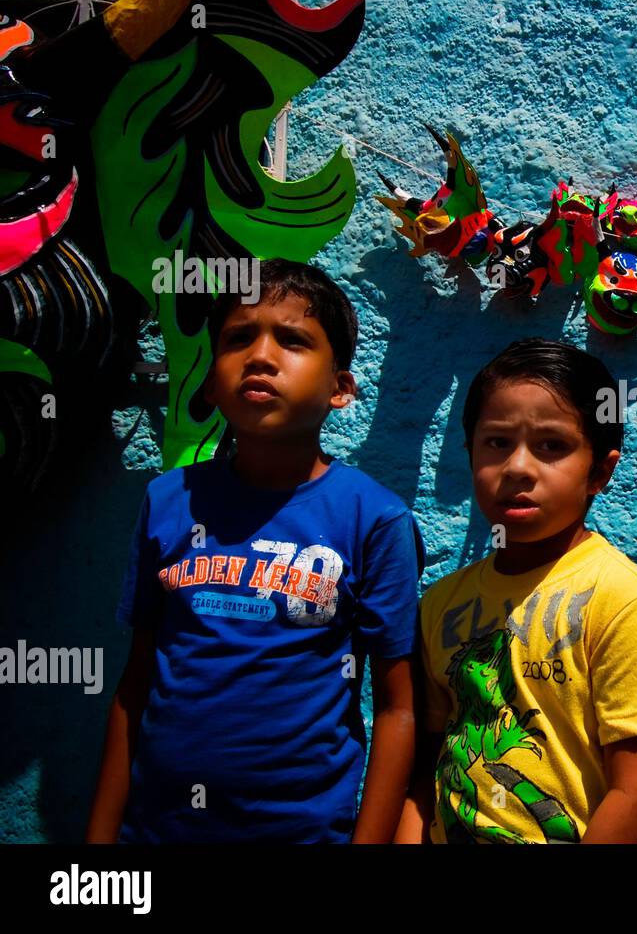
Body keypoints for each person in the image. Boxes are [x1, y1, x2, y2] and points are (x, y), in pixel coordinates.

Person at [87, 258, 423, 843]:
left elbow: (399, 709)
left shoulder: (373, 519)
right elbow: (135, 682)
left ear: (341, 387)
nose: (261, 356)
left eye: (293, 340)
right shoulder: (169, 501)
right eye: (239, 338)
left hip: (304, 832)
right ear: (212, 382)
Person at [398, 338, 637, 844]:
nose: (519, 468)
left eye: (552, 446)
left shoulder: (623, 601)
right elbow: (424, 775)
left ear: (600, 471)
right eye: (497, 442)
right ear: (469, 453)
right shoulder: (441, 603)